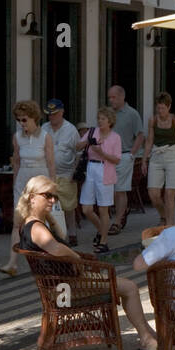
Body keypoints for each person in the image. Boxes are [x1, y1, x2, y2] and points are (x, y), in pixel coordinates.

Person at [17, 175, 157, 350]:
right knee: (129, 287)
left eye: (55, 197)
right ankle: (146, 338)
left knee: (124, 284)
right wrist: (76, 256)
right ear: (32, 197)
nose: (53, 200)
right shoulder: (37, 228)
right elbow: (56, 249)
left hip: (61, 286)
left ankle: (148, 335)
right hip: (68, 289)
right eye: (48, 196)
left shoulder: (28, 223)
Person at [0, 101, 56, 275]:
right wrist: (16, 183)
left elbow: (51, 163)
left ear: (34, 118)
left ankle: (47, 261)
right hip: (23, 181)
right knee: (18, 223)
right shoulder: (17, 137)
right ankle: (12, 262)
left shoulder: (45, 136)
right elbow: (16, 161)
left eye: (24, 120)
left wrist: (52, 188)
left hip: (40, 180)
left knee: (41, 222)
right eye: (19, 120)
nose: (21, 124)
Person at [76, 107, 121, 254]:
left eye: (103, 118)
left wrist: (102, 152)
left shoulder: (115, 137)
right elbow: (77, 146)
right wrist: (87, 142)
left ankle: (104, 240)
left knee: (103, 208)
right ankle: (102, 230)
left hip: (105, 170)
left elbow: (117, 159)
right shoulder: (92, 132)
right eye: (99, 118)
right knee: (87, 209)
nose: (100, 121)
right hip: (90, 168)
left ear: (110, 121)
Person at [40, 98, 81, 246]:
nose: (52, 117)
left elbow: (78, 153)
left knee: (68, 206)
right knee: (47, 206)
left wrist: (75, 173)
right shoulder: (44, 128)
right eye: (49, 114)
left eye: (55, 114)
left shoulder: (71, 130)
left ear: (62, 112)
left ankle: (72, 234)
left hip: (66, 173)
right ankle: (51, 235)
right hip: (47, 174)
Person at [106, 85, 145, 236]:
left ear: (122, 97)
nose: (111, 100)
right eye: (109, 97)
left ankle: (116, 222)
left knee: (120, 189)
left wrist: (132, 154)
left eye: (113, 97)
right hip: (108, 157)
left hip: (124, 155)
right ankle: (122, 212)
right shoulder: (108, 113)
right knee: (110, 190)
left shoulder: (132, 114)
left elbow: (140, 135)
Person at [143, 93, 175, 228]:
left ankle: (169, 224)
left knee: (169, 192)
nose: (160, 111)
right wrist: (145, 159)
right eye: (158, 108)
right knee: (153, 193)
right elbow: (149, 140)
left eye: (162, 108)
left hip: (172, 153)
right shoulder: (153, 120)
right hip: (156, 153)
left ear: (169, 107)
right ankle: (163, 215)